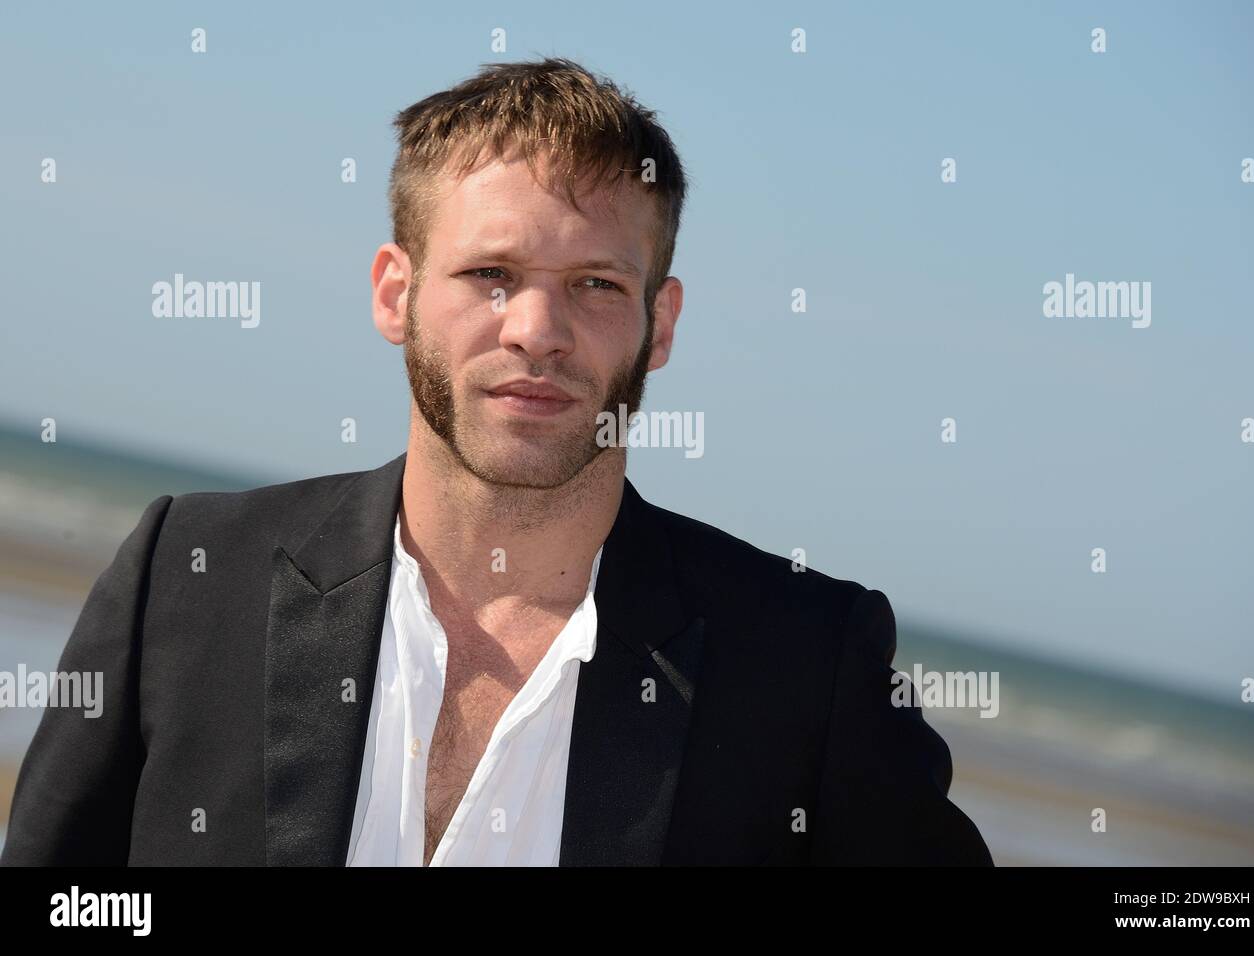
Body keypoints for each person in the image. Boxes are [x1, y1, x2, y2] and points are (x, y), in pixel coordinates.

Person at [1, 58, 992, 866]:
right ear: (396, 292)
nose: (538, 329)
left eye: (597, 284)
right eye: (490, 274)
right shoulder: (186, 576)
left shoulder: (801, 663)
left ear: (660, 324)